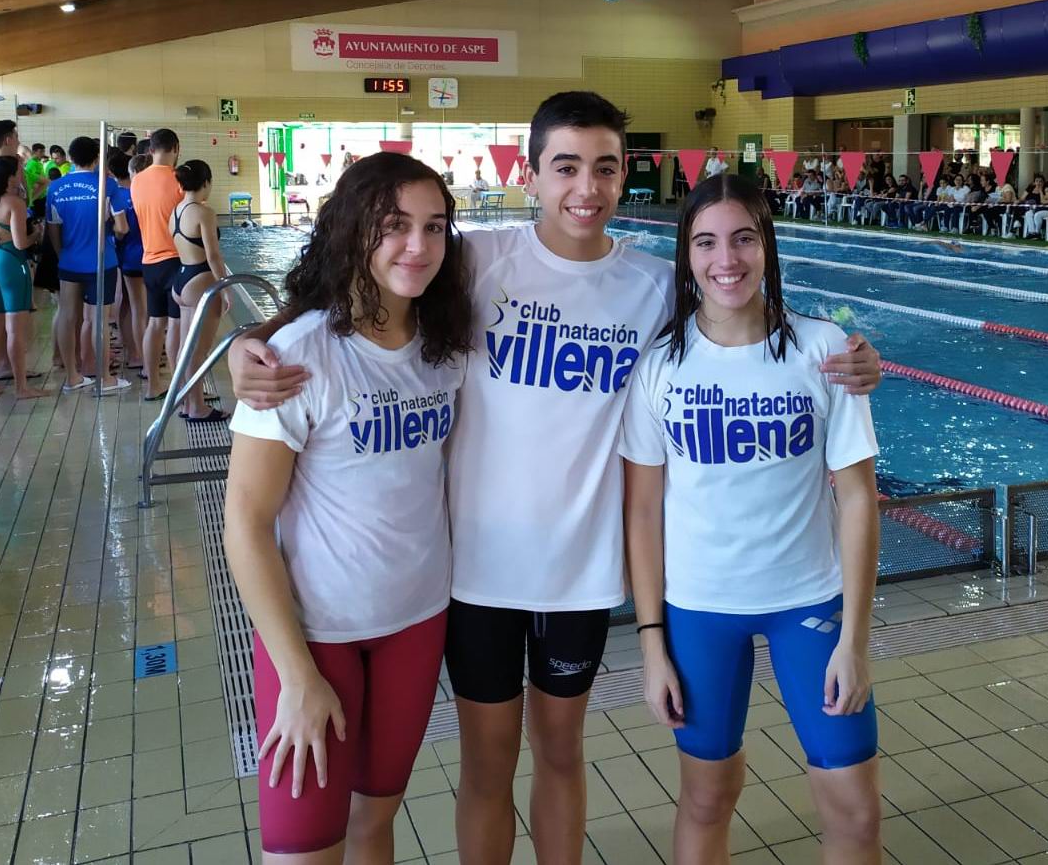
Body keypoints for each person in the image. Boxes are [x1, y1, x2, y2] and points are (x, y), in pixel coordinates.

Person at [227, 91, 884, 865]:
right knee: (486, 765)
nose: (586, 187)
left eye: (605, 168)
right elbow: (360, 296)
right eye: (565, 167)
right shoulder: (474, 259)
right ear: (531, 174)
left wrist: (854, 357)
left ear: (624, 175)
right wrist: (249, 344)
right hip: (473, 574)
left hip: (580, 574)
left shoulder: (651, 286)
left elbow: (732, 317)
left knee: (562, 754)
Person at [621, 174, 881, 864]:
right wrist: (651, 646)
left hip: (810, 604)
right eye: (706, 242)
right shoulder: (660, 366)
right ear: (686, 254)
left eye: (743, 238)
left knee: (855, 810)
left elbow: (858, 497)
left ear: (767, 245)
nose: (726, 259)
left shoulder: (824, 350)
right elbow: (641, 511)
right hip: (698, 611)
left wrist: (854, 640)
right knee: (706, 798)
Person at [224, 152, 473, 864]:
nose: (417, 245)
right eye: (393, 225)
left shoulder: (445, 345)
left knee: (374, 823)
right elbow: (245, 523)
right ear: (352, 230)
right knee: (302, 851)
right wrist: (297, 675)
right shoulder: (296, 357)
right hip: (316, 635)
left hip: (416, 622)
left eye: (434, 226)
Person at [47, 136, 130, 393]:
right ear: (97, 158)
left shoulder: (56, 187)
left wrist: (63, 255)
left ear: (70, 158)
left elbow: (53, 229)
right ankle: (105, 378)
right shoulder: (108, 185)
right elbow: (122, 227)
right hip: (101, 261)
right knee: (99, 320)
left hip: (69, 262)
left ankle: (72, 377)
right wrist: (114, 238)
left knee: (67, 316)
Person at [0, 156, 50, 400]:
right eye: (20, 170)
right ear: (11, 176)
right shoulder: (14, 203)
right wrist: (37, 233)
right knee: (15, 329)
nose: (23, 173)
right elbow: (21, 243)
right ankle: (21, 388)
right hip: (10, 261)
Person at [168, 160, 230, 421]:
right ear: (206, 183)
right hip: (201, 280)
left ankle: (186, 403)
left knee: (186, 348)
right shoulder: (205, 213)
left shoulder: (176, 210)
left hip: (181, 279)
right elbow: (213, 256)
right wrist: (225, 287)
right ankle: (197, 408)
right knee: (198, 350)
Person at [133, 128, 186, 400]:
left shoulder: (137, 181)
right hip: (176, 260)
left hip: (149, 261)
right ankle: (179, 387)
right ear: (176, 148)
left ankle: (152, 384)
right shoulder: (179, 180)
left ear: (151, 150)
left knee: (155, 323)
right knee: (176, 325)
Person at [110, 152, 148, 375]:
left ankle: (130, 348)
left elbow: (119, 231)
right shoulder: (141, 194)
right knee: (139, 308)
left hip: (125, 255)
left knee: (127, 303)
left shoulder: (118, 196)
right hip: (143, 255)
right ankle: (138, 354)